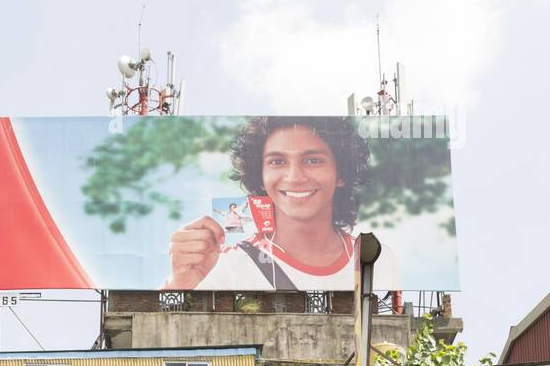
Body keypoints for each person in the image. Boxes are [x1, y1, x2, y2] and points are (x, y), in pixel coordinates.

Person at [165, 116, 399, 292]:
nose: (294, 177)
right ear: (261, 176)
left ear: (341, 173)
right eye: (277, 161)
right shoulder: (228, 265)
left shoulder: (377, 259)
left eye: (313, 160)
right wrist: (181, 285)